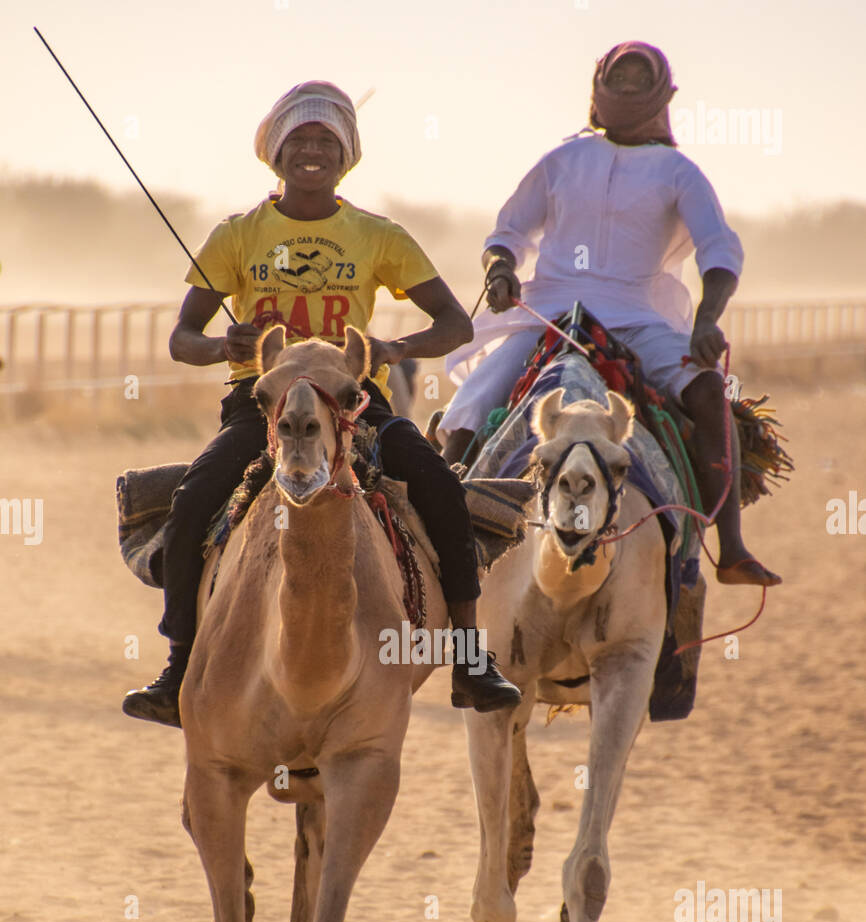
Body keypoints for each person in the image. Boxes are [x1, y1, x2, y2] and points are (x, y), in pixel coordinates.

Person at [122, 80, 521, 728]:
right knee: (197, 497)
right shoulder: (237, 236)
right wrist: (225, 342)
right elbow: (181, 340)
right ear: (274, 153)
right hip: (265, 409)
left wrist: (395, 346)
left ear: (347, 155)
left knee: (441, 490)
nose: (312, 151)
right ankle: (178, 664)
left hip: (357, 405)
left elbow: (456, 323)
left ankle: (470, 660)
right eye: (299, 140)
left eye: (326, 140)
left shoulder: (377, 234)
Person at [439, 42, 781, 588]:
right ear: (597, 86)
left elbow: (720, 252)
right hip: (548, 312)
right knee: (474, 400)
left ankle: (733, 546)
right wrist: (499, 270)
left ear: (661, 90)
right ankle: (442, 535)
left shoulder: (680, 172)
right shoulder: (560, 161)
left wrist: (707, 319)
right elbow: (505, 234)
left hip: (639, 317)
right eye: (616, 76)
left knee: (709, 392)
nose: (625, 86)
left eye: (637, 78)